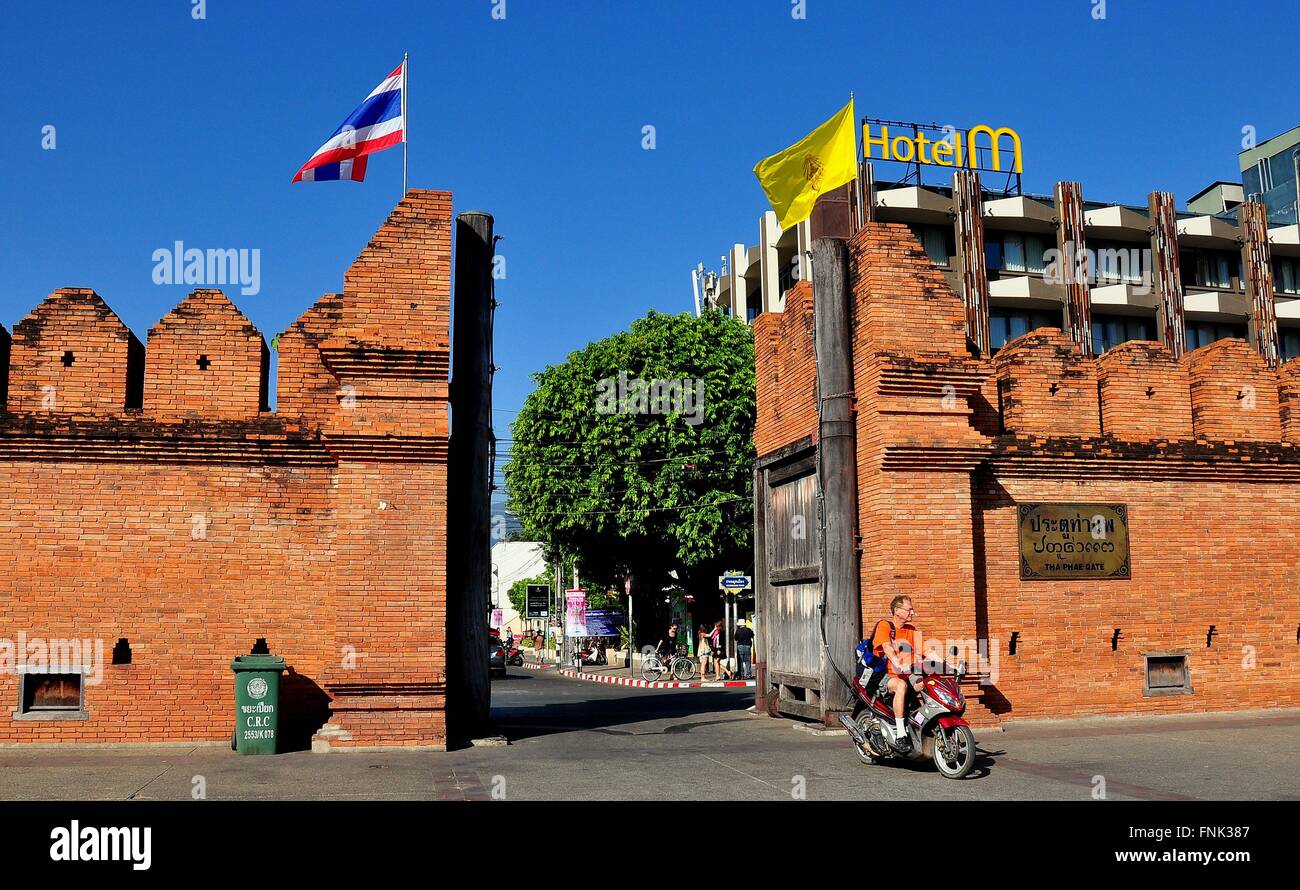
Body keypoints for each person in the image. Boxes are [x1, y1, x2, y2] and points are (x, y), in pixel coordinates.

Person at [868, 595, 921, 754]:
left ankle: (921, 722)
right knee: (901, 685)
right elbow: (886, 647)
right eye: (909, 609)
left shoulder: (912, 630)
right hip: (886, 676)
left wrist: (946, 664)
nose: (912, 612)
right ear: (897, 611)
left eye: (912, 609)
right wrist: (898, 663)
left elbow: (924, 652)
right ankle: (901, 734)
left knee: (925, 683)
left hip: (907, 674)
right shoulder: (885, 626)